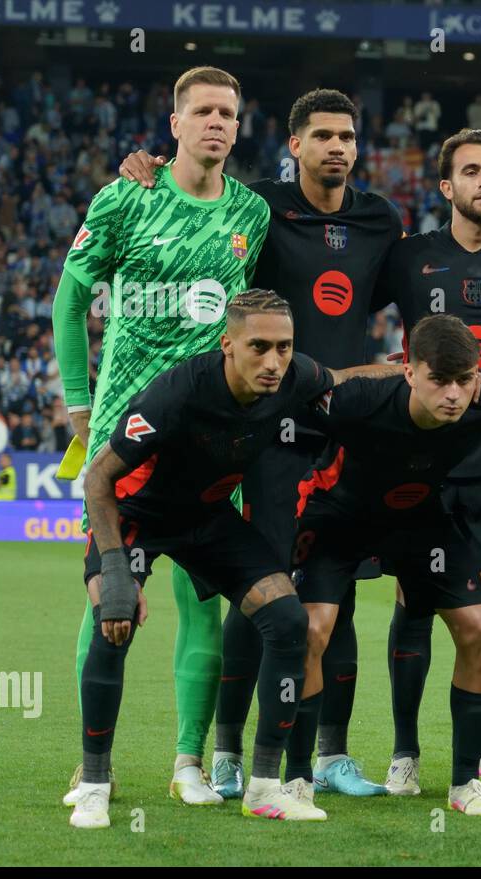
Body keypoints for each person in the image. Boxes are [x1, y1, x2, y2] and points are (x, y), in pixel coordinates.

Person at [116, 94, 481, 802]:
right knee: (267, 591)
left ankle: (331, 754)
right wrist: (154, 170)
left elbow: (431, 292)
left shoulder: (382, 221)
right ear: (293, 143)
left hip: (349, 428)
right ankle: (226, 753)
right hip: (272, 429)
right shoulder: (257, 207)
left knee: (333, 594)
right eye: (322, 135)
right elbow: (204, 197)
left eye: (348, 135)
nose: (337, 147)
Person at [70, 289, 378, 828]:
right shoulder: (176, 392)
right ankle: (94, 782)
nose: (274, 361)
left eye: (284, 347)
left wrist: (412, 373)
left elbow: (343, 377)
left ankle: (263, 785)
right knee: (113, 619)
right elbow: (99, 478)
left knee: (288, 621)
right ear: (227, 345)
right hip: (138, 514)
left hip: (207, 518)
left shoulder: (293, 376)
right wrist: (116, 567)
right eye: (259, 347)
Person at [54, 66, 271, 808]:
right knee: (107, 594)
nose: (217, 123)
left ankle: (188, 762)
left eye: (230, 113)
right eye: (204, 111)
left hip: (213, 439)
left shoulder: (251, 211)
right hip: (126, 430)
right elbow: (70, 299)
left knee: (200, 599)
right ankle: (92, 766)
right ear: (174, 123)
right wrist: (80, 410)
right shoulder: (126, 197)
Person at [371, 128, 481, 796]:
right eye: (471, 171)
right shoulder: (410, 257)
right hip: (420, 454)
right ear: (446, 186)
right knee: (414, 597)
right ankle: (405, 753)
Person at [290, 314, 481, 816]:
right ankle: (298, 779)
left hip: (418, 518)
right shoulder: (359, 401)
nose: (454, 394)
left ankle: (463, 784)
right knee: (311, 631)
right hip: (339, 517)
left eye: (463, 380)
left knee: (479, 630)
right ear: (409, 372)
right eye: (439, 380)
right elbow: (292, 391)